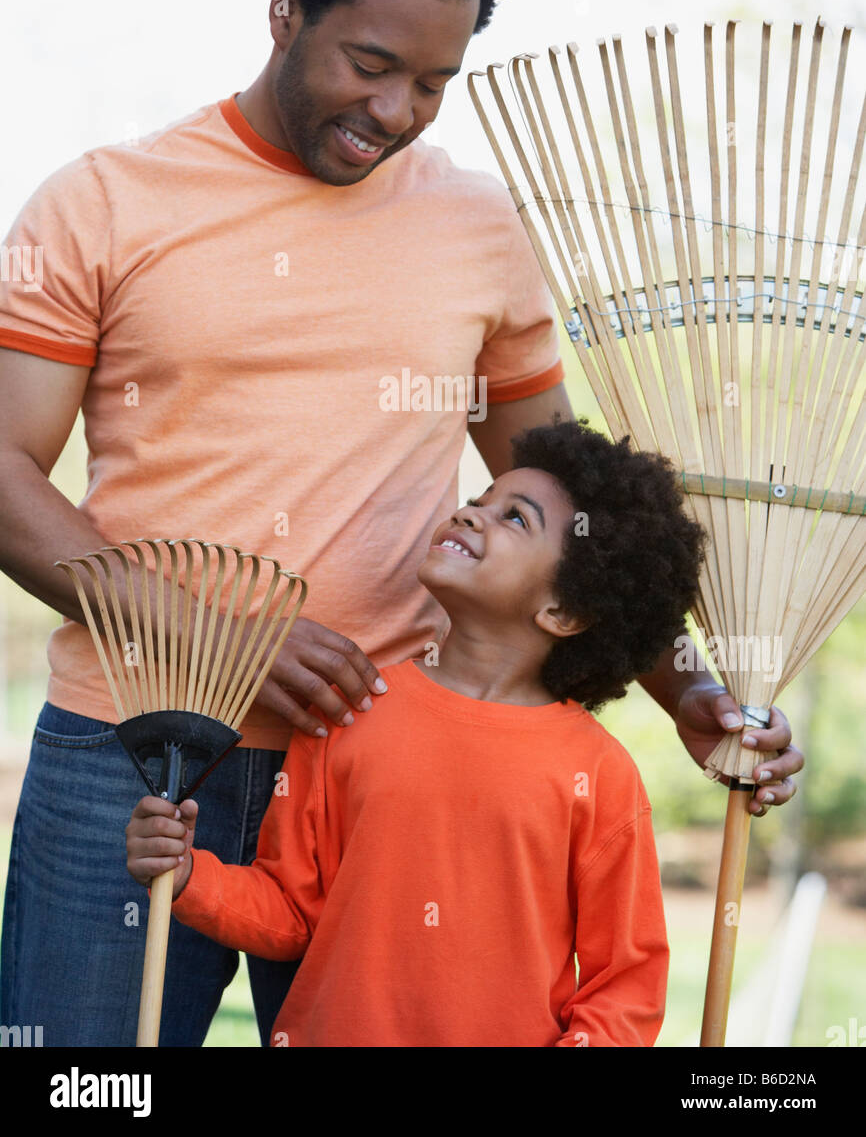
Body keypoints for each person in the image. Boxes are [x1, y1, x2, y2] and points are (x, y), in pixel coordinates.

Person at [0, 0, 802, 1048]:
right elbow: (7, 475)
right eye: (368, 65)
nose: (394, 113)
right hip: (137, 741)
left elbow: (573, 504)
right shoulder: (104, 202)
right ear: (285, 8)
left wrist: (681, 685)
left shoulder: (479, 227)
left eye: (433, 82)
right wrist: (220, 639)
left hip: (393, 768)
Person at [126, 421, 704, 1047]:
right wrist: (187, 875)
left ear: (562, 611)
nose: (470, 514)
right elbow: (292, 911)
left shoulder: (602, 774)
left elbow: (626, 983)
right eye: (478, 501)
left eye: (515, 519)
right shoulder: (349, 711)